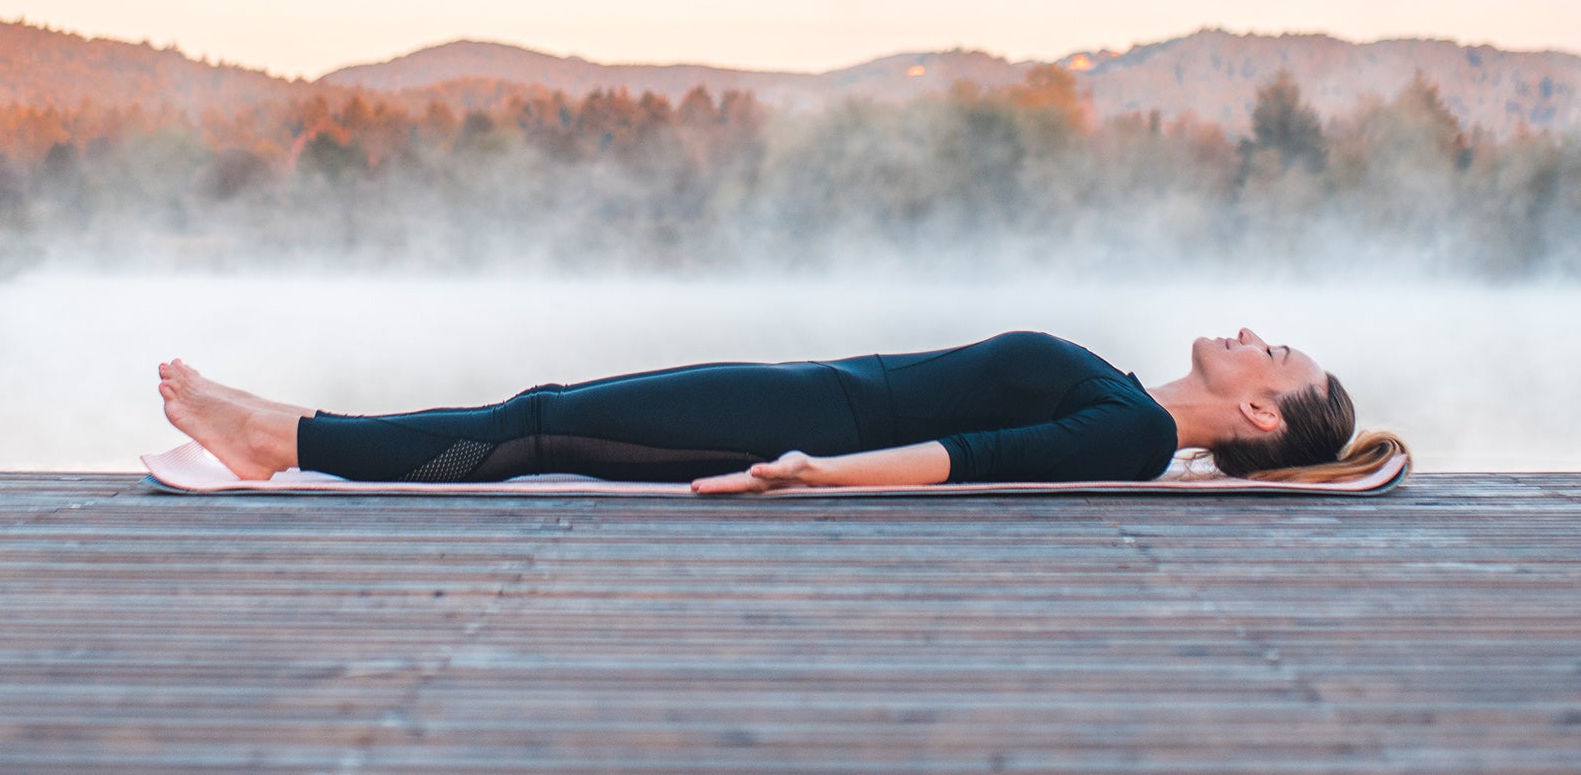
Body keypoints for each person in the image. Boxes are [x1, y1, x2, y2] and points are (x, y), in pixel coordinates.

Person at [155, 328, 1406, 492]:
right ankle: (291, 432)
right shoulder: (1131, 405)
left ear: (1255, 411)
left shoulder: (1134, 435)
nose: (1258, 332)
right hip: (796, 397)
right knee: (541, 410)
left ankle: (283, 441)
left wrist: (807, 472)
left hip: (793, 426)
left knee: (537, 426)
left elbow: (969, 459)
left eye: (1278, 354)